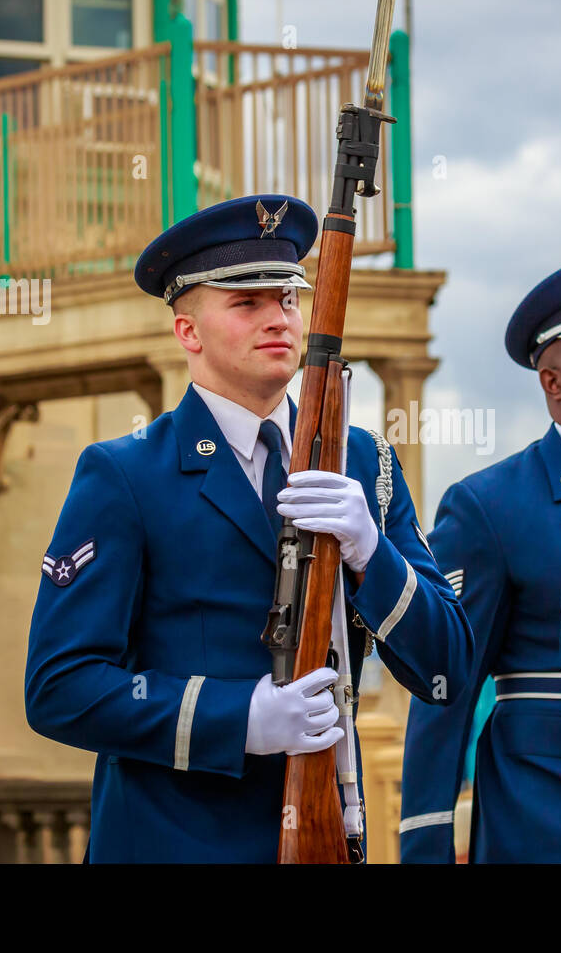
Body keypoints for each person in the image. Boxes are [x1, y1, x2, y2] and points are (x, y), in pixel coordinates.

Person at [24, 194, 474, 862]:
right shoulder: (125, 474)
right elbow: (59, 687)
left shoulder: (364, 462)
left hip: (325, 840)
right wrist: (240, 719)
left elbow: (449, 666)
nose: (279, 320)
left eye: (289, 300)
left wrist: (372, 555)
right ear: (188, 333)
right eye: (246, 303)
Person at [399, 258, 561, 862]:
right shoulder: (489, 505)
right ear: (552, 381)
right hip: (548, 814)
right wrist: (427, 837)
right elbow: (446, 683)